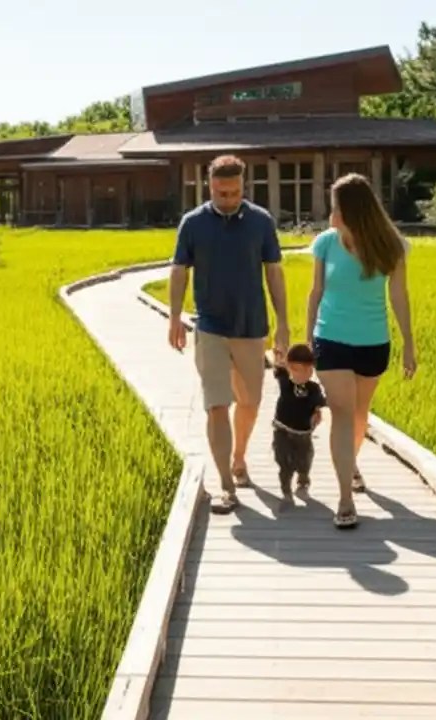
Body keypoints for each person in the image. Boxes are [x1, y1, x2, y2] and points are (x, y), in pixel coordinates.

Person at [168, 154, 290, 514]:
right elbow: (178, 270)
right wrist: (174, 316)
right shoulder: (192, 223)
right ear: (210, 187)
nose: (228, 198)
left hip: (252, 327)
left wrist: (283, 322)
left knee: (250, 402)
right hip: (210, 327)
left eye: (235, 192)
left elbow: (274, 273)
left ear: (244, 186)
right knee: (217, 404)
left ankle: (239, 457)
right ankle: (226, 487)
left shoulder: (260, 222)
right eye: (222, 193)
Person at [306, 173, 416, 529]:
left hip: (373, 342)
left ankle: (350, 463)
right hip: (331, 339)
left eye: (335, 206)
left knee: (358, 414)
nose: (329, 212)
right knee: (340, 411)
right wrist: (308, 338)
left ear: (351, 210)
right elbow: (315, 292)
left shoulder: (390, 245)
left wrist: (409, 344)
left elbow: (399, 296)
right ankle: (344, 498)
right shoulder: (325, 243)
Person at [270, 343, 326, 500]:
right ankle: (285, 485)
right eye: (300, 370)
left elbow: (320, 402)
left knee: (305, 458)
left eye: (310, 370)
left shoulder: (313, 388)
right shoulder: (286, 383)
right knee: (283, 459)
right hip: (282, 429)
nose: (306, 373)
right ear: (291, 369)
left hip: (303, 433)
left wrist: (317, 411)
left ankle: (303, 475)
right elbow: (279, 370)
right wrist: (280, 358)